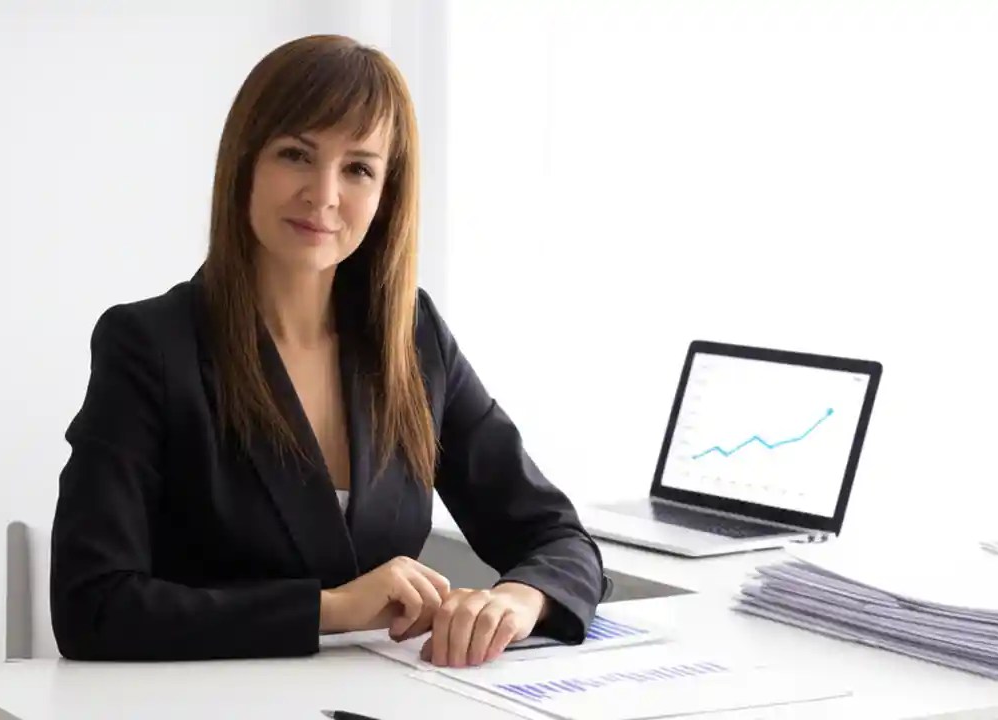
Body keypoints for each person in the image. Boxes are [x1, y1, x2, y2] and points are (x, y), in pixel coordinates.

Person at [49, 33, 606, 668]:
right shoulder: (150, 345)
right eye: (296, 155)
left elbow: (558, 537)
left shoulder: (413, 337)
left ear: (386, 193)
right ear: (245, 163)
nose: (324, 195)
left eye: (359, 168)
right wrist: (331, 608)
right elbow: (91, 607)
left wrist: (520, 598)